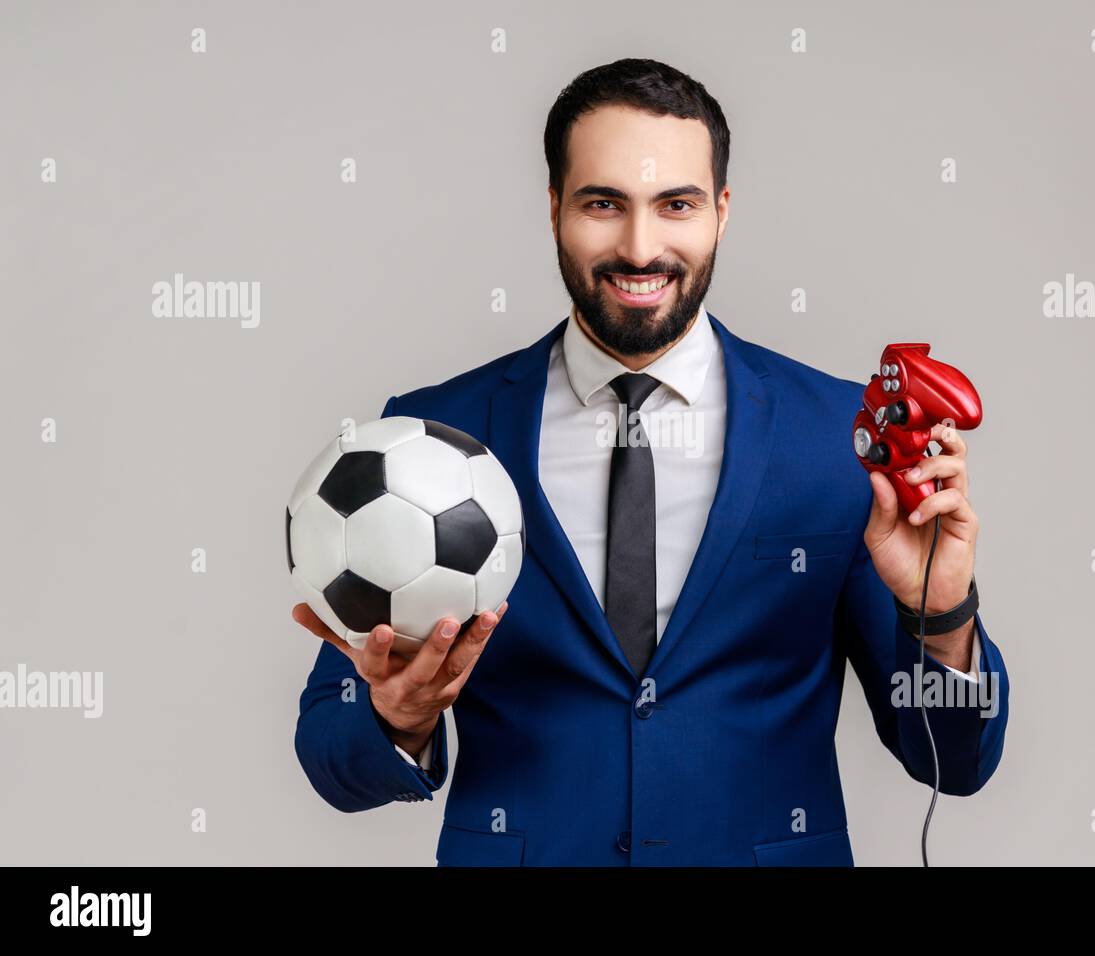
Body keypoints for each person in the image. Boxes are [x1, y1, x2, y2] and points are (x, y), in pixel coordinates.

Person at [292, 58, 1009, 866]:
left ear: (721, 213)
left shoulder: (838, 438)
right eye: (604, 204)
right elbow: (331, 754)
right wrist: (398, 718)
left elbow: (957, 757)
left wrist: (942, 617)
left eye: (676, 205)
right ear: (556, 207)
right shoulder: (435, 437)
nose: (641, 248)